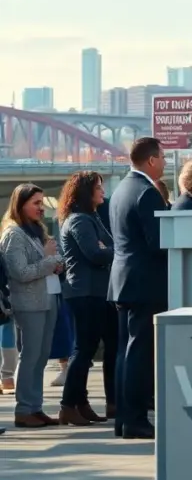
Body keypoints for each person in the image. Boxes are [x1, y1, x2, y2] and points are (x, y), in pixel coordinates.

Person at [108, 137, 167, 439]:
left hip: (122, 281)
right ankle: (135, 420)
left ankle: (124, 419)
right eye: (163, 157)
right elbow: (158, 242)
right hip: (144, 283)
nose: (166, 163)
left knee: (124, 352)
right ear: (152, 160)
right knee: (140, 353)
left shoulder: (120, 189)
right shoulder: (147, 192)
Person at [56, 171, 118, 426]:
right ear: (86, 192)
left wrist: (109, 249)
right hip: (85, 292)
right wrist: (116, 250)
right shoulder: (80, 221)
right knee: (84, 350)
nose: (103, 192)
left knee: (99, 347)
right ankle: (68, 404)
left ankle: (81, 403)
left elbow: (107, 246)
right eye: (98, 188)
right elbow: (96, 253)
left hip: (97, 291)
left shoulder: (90, 217)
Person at [0, 184, 62, 428]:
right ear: (21, 204)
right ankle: (24, 409)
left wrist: (57, 263)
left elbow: (50, 260)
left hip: (47, 299)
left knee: (42, 356)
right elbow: (20, 272)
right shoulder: (14, 235)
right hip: (29, 303)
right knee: (30, 356)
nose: (41, 208)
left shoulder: (36, 230)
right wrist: (49, 261)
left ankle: (35, 407)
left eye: (41, 202)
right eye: (36, 203)